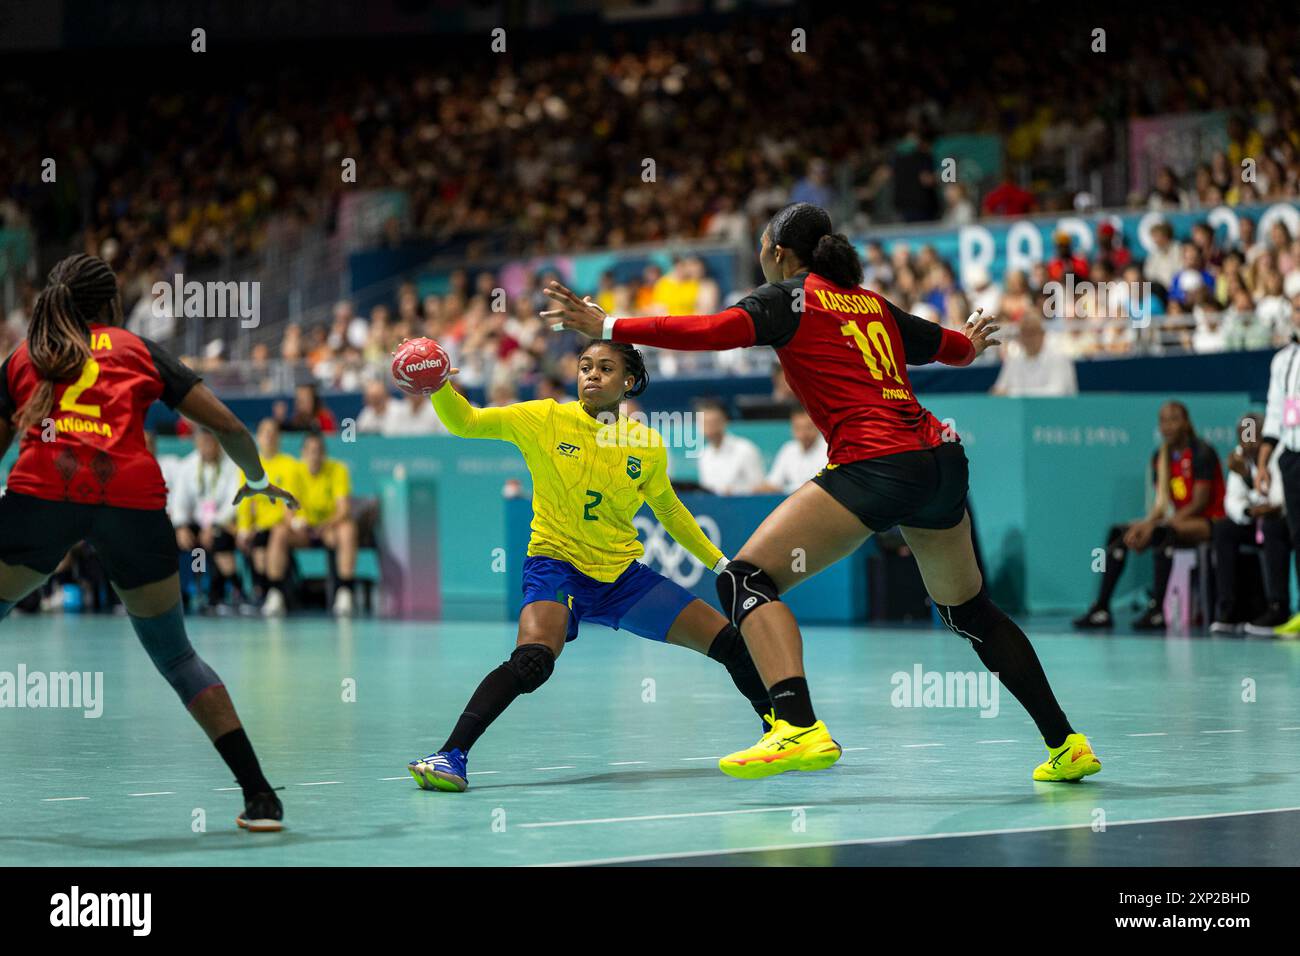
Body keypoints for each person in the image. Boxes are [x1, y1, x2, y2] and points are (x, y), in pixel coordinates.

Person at [543, 202, 1100, 783]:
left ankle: (798, 726)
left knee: (744, 578)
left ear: (780, 254)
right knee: (970, 610)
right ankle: (1066, 742)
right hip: (938, 460)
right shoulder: (871, 303)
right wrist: (971, 343)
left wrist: (608, 327)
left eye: (762, 246)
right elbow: (950, 349)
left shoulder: (789, 296)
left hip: (876, 462)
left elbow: (714, 332)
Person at [0, 254, 297, 830]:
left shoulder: (22, 356)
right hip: (129, 500)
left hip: (42, 495)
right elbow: (230, 427)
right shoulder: (136, 350)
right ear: (110, 305)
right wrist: (257, 481)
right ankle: (260, 797)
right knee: (178, 656)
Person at [406, 341, 772, 792]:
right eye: (584, 367)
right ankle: (450, 755)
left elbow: (671, 511)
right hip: (556, 563)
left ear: (629, 382)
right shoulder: (544, 418)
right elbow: (466, 422)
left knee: (730, 644)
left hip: (621, 577)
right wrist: (439, 386)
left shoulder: (645, 444)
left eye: (604, 368)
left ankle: (781, 733)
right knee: (533, 661)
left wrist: (721, 564)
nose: (591, 375)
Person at [1074, 402, 1225, 631]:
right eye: (1163, 420)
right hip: (1176, 521)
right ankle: (1102, 607)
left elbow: (1199, 502)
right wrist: (1145, 524)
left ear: (1186, 422)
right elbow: (1161, 503)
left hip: (1209, 522)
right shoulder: (1160, 456)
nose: (1168, 426)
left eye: (1174, 419)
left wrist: (1156, 525)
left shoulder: (1202, 452)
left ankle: (1157, 610)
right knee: (1118, 533)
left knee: (1162, 533)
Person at [262, 431, 357, 617]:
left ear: (324, 453)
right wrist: (295, 523)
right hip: (303, 532)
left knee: (347, 529)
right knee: (279, 531)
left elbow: (343, 509)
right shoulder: (294, 472)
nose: (315, 456)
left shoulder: (338, 470)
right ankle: (275, 593)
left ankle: (345, 592)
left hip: (331, 529)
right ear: (303, 453)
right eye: (310, 451)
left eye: (319, 451)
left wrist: (326, 526)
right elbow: (288, 511)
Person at [1210, 412, 1289, 634]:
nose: (1248, 444)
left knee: (1274, 527)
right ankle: (1229, 609)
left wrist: (1248, 480)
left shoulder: (1278, 452)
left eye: (1253, 437)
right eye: (1244, 438)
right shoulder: (1239, 456)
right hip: (1255, 521)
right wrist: (1248, 510)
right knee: (1224, 529)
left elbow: (1277, 500)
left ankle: (1277, 606)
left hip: (1281, 522)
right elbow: (1233, 501)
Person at [169, 428, 246, 613]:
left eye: (211, 443)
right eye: (203, 443)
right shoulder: (187, 466)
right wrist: (180, 527)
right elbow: (179, 501)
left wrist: (213, 524)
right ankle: (189, 590)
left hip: (221, 523)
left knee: (218, 541)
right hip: (195, 524)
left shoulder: (231, 465)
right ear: (197, 443)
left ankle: (226, 592)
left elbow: (233, 501)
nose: (207, 447)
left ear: (218, 443)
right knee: (188, 545)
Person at [235, 418, 305, 607]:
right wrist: (243, 528)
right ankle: (261, 593)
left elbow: (290, 501)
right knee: (254, 546)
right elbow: (245, 505)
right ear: (258, 437)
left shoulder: (290, 465)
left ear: (279, 437)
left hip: (281, 526)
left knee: (275, 537)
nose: (269, 437)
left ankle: (276, 592)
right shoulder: (249, 467)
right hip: (259, 528)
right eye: (265, 433)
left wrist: (287, 522)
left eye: (273, 433)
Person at [989, 316, 1078, 397]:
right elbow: (998, 391)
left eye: (1032, 333)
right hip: (1021, 413)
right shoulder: (1013, 359)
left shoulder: (1059, 357)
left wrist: (1011, 393)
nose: (1028, 338)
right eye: (1024, 333)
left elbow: (1057, 393)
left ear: (1042, 334)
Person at [696, 399, 765, 495]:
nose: (709, 427)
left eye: (713, 422)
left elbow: (761, 488)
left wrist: (735, 491)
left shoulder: (745, 449)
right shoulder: (704, 454)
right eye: (704, 422)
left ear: (724, 421)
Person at [755, 408, 828, 494]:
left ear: (817, 426)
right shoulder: (788, 449)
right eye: (798, 428)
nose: (803, 433)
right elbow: (773, 482)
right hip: (792, 501)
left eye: (808, 427)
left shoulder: (829, 450)